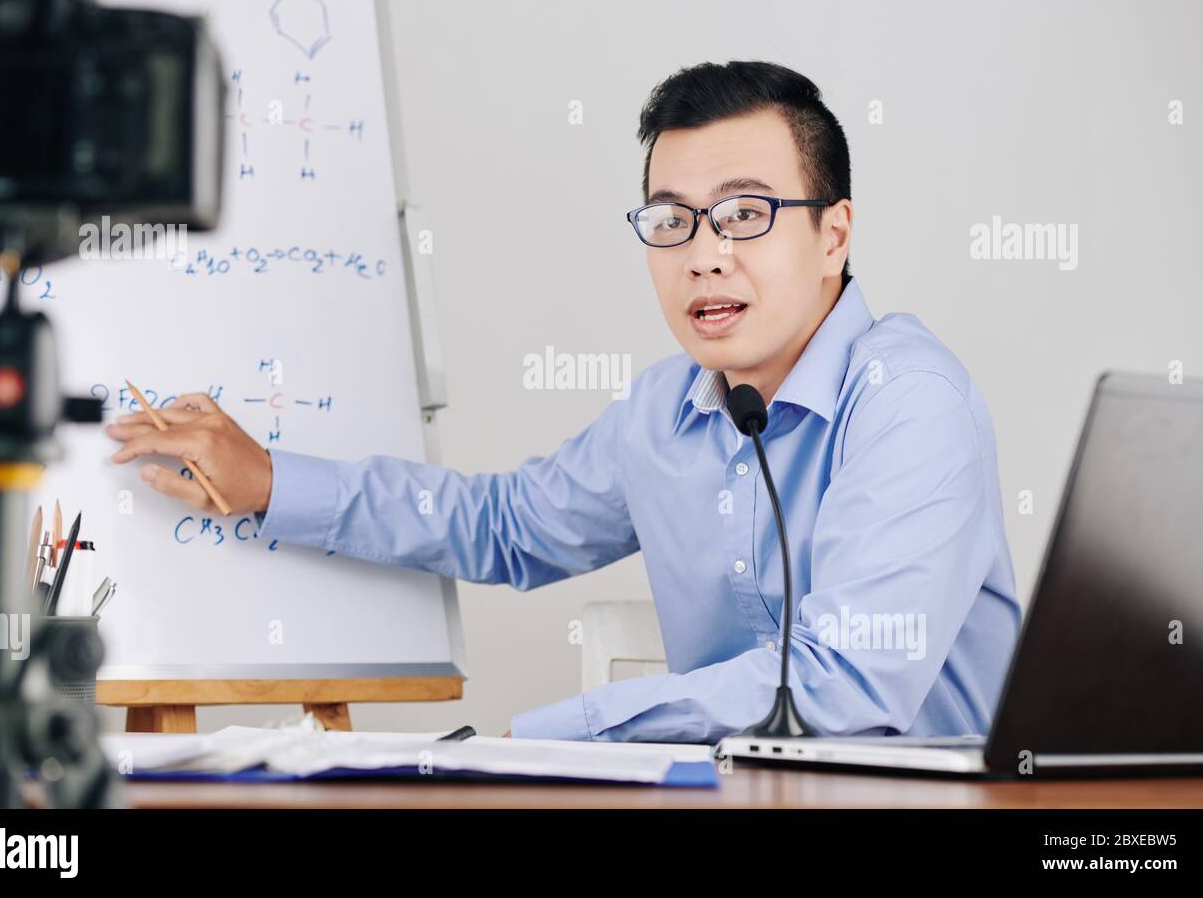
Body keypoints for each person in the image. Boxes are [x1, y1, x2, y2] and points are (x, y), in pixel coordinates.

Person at [107, 60, 1020, 743]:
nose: (705, 253)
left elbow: (844, 686)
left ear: (834, 235)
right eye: (671, 220)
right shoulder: (665, 411)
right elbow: (503, 525)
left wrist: (550, 739)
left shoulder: (908, 400)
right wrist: (270, 482)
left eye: (746, 214)